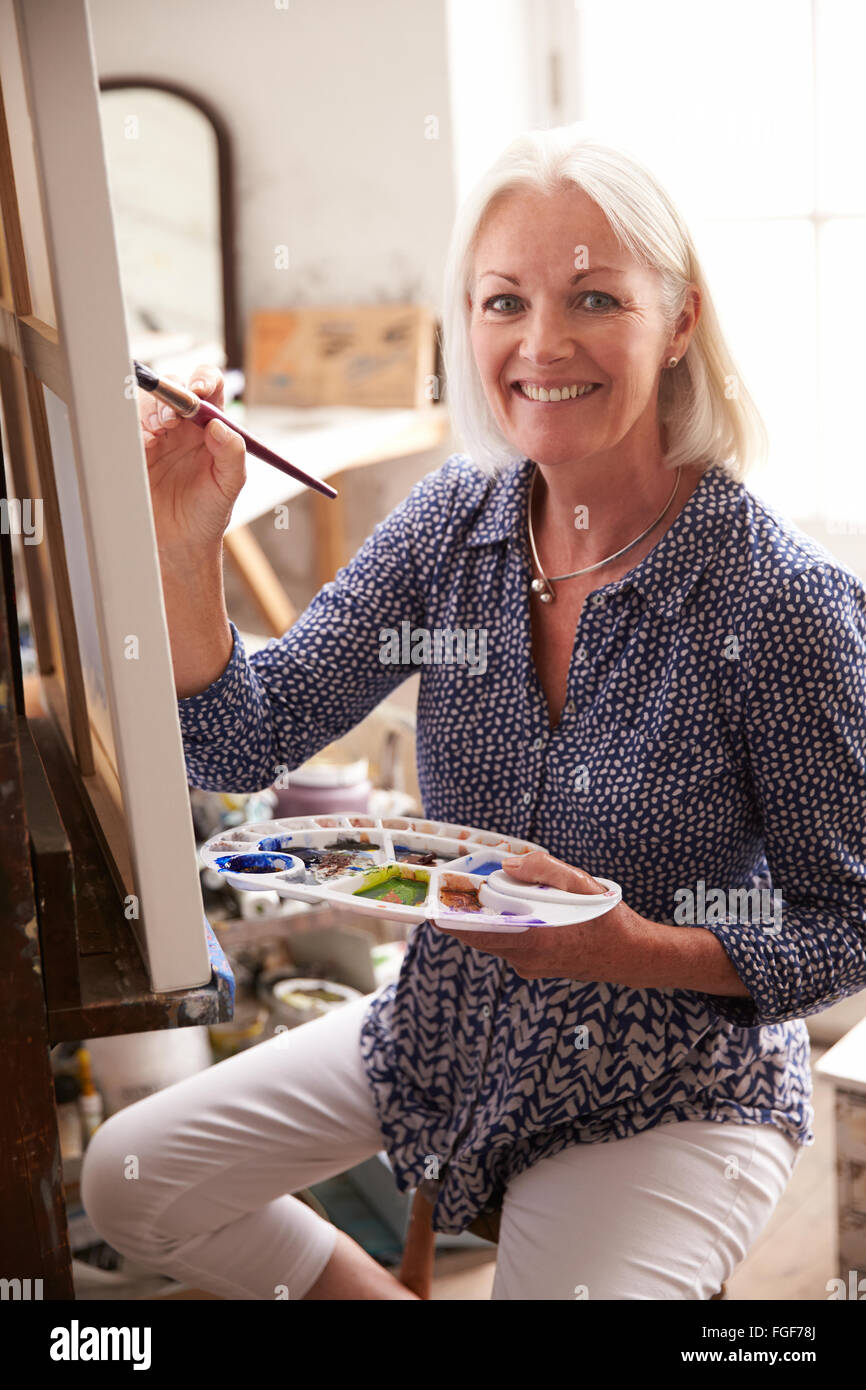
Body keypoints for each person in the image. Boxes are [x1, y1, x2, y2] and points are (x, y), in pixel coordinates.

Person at [80, 126, 866, 1300]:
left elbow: (848, 921)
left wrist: (627, 949)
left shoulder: (782, 605)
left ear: (680, 318)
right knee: (130, 1175)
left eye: (593, 297)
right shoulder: (452, 524)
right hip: (450, 1022)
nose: (541, 345)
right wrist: (185, 544)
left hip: (673, 1082)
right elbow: (239, 737)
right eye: (504, 302)